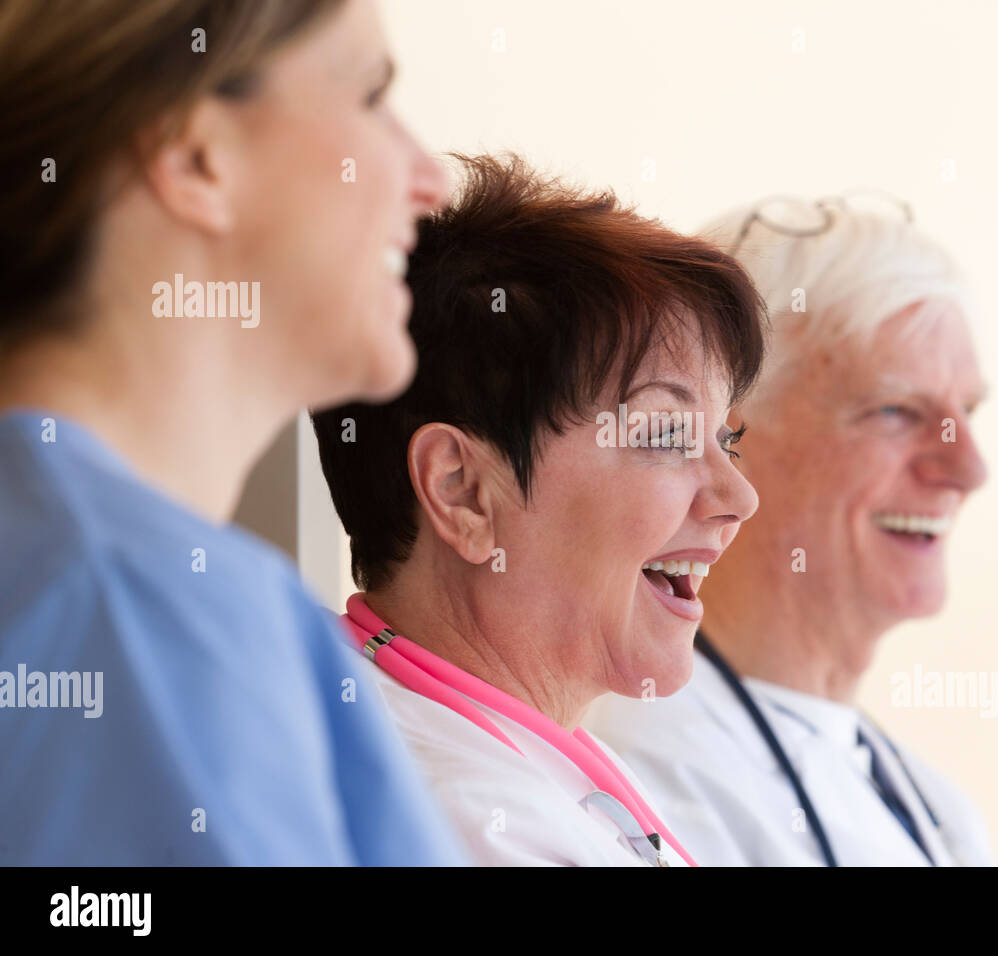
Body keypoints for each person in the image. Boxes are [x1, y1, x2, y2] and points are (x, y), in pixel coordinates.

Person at [0, 0, 463, 864]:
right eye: (371, 96)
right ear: (196, 157)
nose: (429, 178)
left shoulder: (93, 574)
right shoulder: (136, 608)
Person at [311, 153, 765, 866]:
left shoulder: (526, 764)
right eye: (666, 434)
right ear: (462, 490)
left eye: (724, 440)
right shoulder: (455, 821)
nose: (740, 498)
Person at [586, 193, 998, 866]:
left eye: (967, 412)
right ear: (725, 435)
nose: (968, 468)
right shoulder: (636, 787)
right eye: (895, 411)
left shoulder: (936, 809)